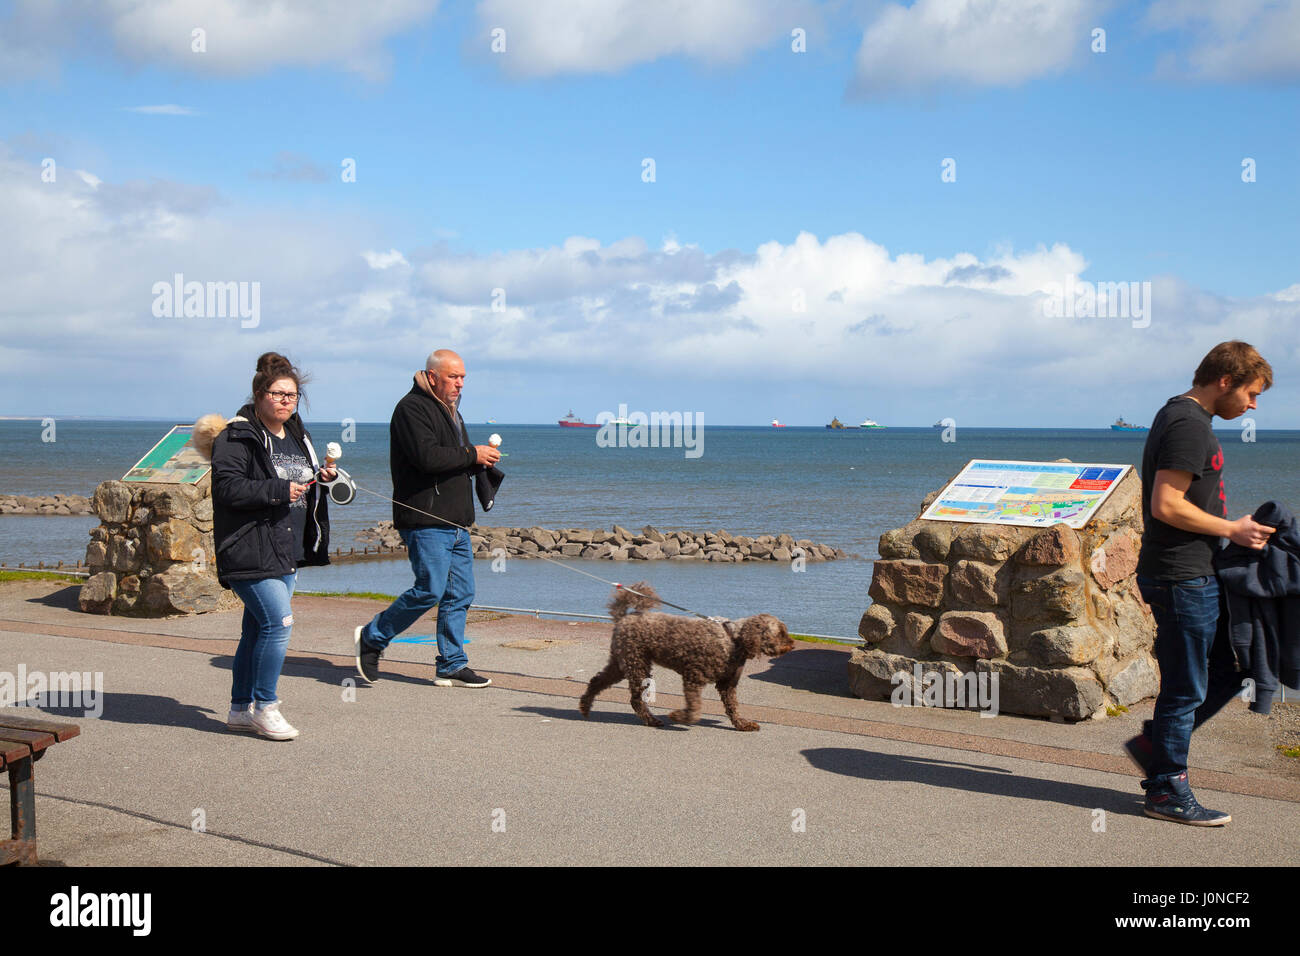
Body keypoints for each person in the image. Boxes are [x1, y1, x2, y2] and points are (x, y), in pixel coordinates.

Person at [1125, 341, 1274, 825]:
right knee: (1185, 687)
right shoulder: (1188, 424)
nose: (1253, 406)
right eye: (1251, 394)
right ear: (1225, 381)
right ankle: (1166, 789)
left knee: (1234, 667)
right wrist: (1233, 529)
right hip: (1181, 577)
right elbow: (1166, 505)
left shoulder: (1187, 419)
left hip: (1195, 572)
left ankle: (1156, 746)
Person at [354, 349, 502, 687]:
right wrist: (471, 453)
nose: (460, 383)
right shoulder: (411, 408)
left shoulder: (452, 411)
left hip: (455, 520)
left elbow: (452, 459)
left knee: (460, 594)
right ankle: (373, 637)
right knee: (430, 589)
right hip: (424, 518)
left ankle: (451, 663)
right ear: (432, 377)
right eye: (453, 377)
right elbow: (427, 458)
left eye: (463, 377)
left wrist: (478, 461)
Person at [207, 352, 333, 740]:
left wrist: (321, 475)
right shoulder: (236, 435)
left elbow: (301, 479)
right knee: (279, 624)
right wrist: (279, 490)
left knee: (255, 630)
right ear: (259, 395)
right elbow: (227, 488)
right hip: (248, 546)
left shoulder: (297, 434)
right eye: (278, 394)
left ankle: (239, 710)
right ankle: (266, 706)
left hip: (286, 546)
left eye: (292, 395)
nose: (285, 401)